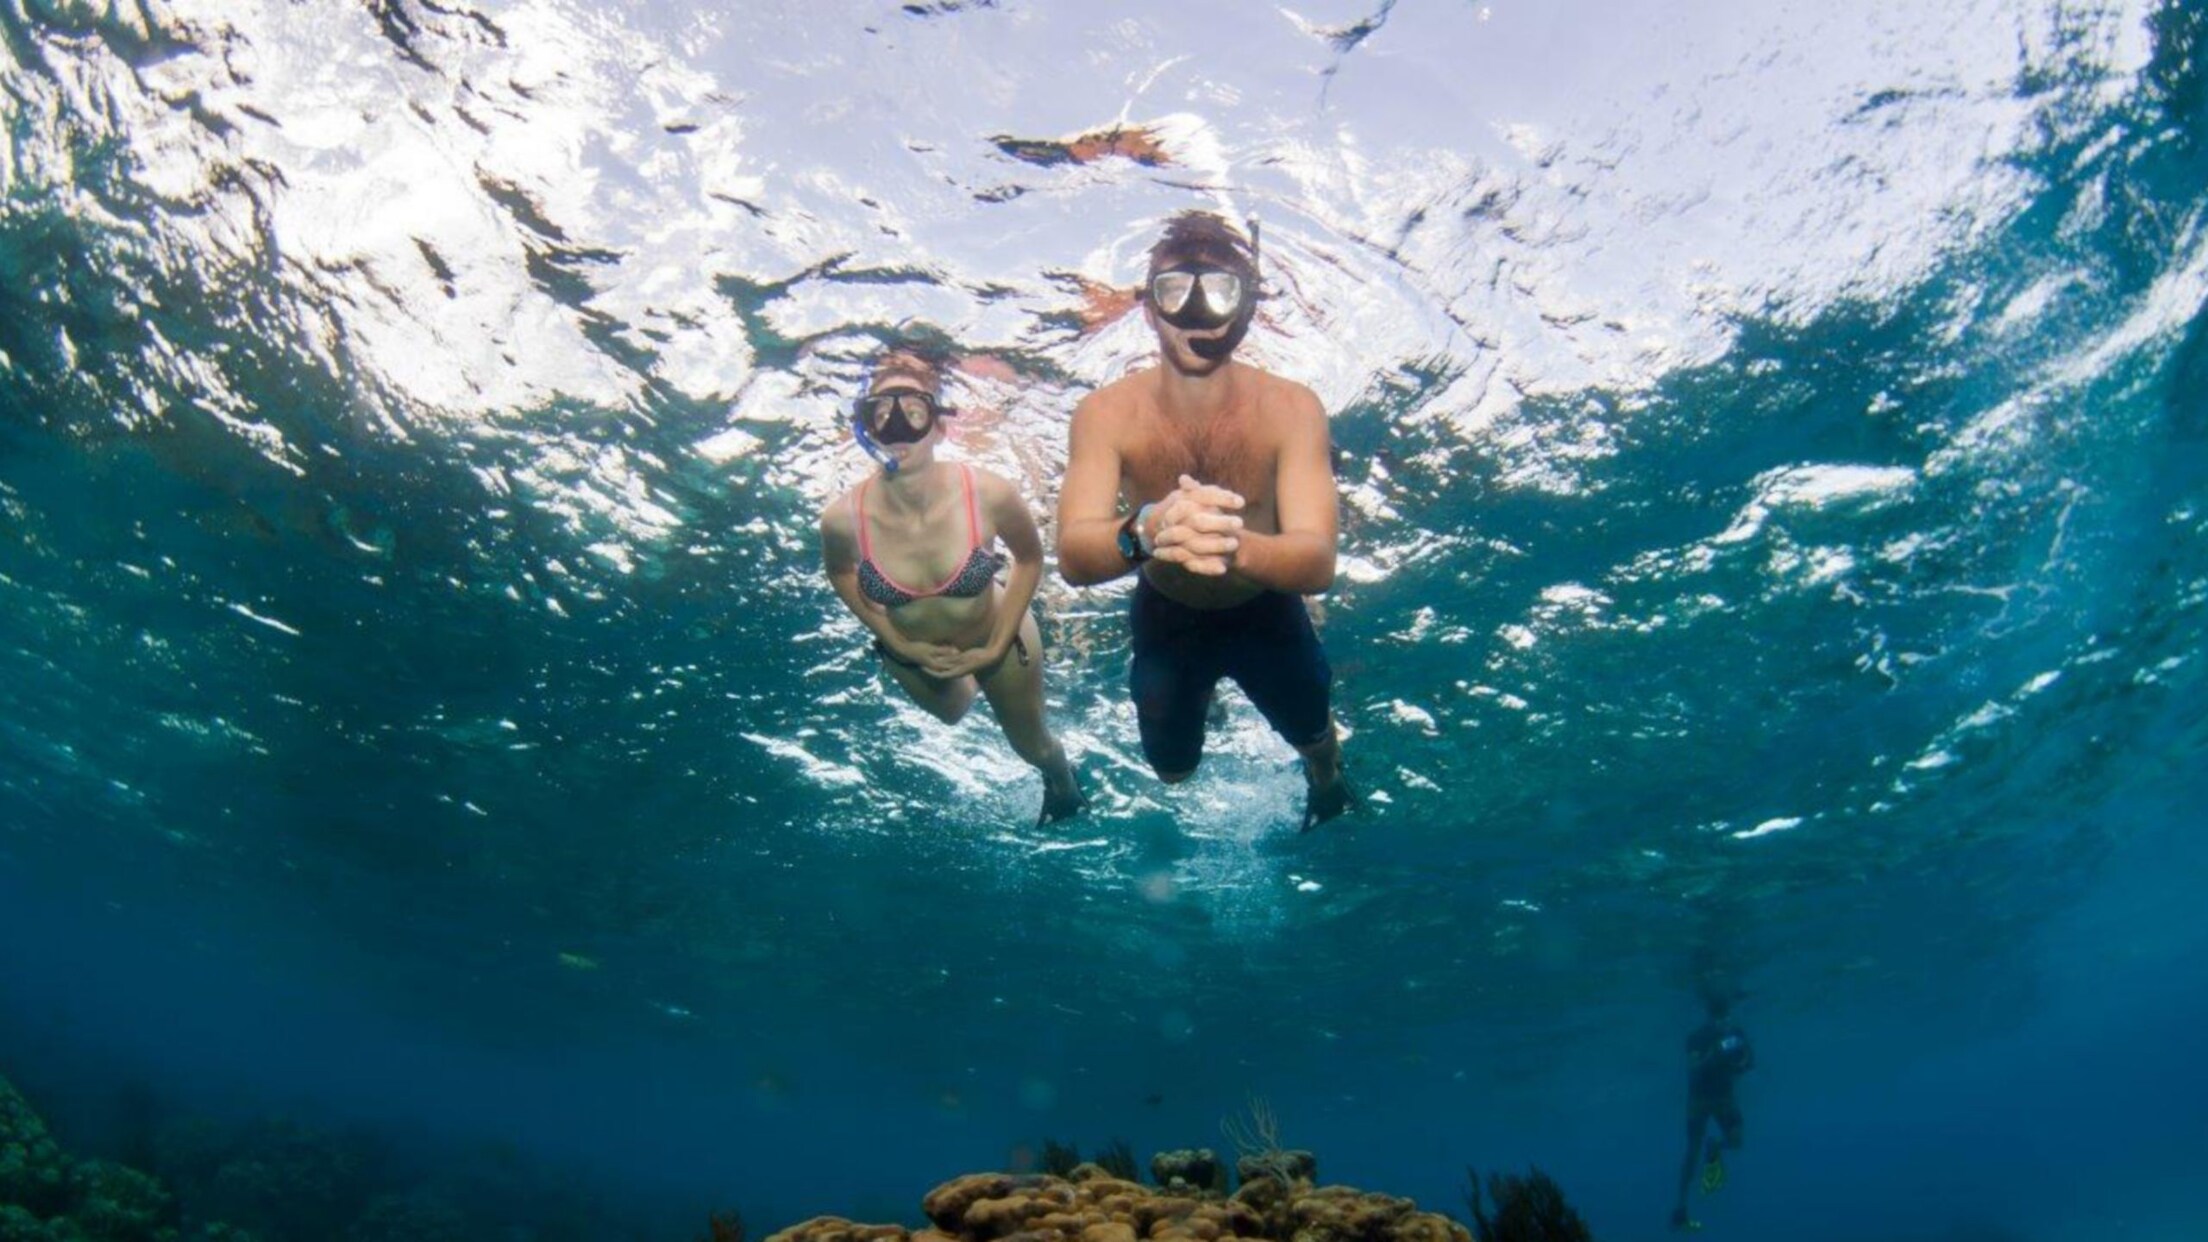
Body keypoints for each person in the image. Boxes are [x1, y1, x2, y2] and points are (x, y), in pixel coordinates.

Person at [1056, 211, 1353, 831]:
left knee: (1314, 735)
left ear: (1247, 307)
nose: (1196, 312)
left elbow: (1317, 560)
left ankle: (1326, 780)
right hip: (1168, 616)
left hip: (1264, 611)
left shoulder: (1291, 408)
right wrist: (1146, 530)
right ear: (1149, 308)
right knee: (1172, 771)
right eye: (1174, 291)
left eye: (1219, 291)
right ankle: (1206, 697)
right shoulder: (1105, 414)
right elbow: (1074, 555)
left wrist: (1228, 544)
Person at [819, 347, 1084, 824]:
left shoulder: (987, 492)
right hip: (912, 650)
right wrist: (898, 642)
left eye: (914, 411)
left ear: (940, 425)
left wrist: (994, 648)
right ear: (866, 428)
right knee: (952, 712)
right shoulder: (842, 519)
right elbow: (840, 572)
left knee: (1031, 747)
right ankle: (970, 682)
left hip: (996, 636)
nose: (897, 426)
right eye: (881, 413)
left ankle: (1063, 780)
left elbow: (1029, 558)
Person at [1670, 991, 1754, 1231]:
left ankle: (1716, 1146)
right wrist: (1712, 1055)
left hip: (1724, 1097)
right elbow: (1693, 1069)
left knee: (1737, 1140)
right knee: (1692, 1151)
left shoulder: (1737, 1034)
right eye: (1718, 1017)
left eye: (1726, 1017)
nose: (1723, 1022)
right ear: (1709, 1017)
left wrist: (1741, 1063)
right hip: (1699, 1099)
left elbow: (1748, 1063)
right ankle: (1680, 1206)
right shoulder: (1696, 1038)